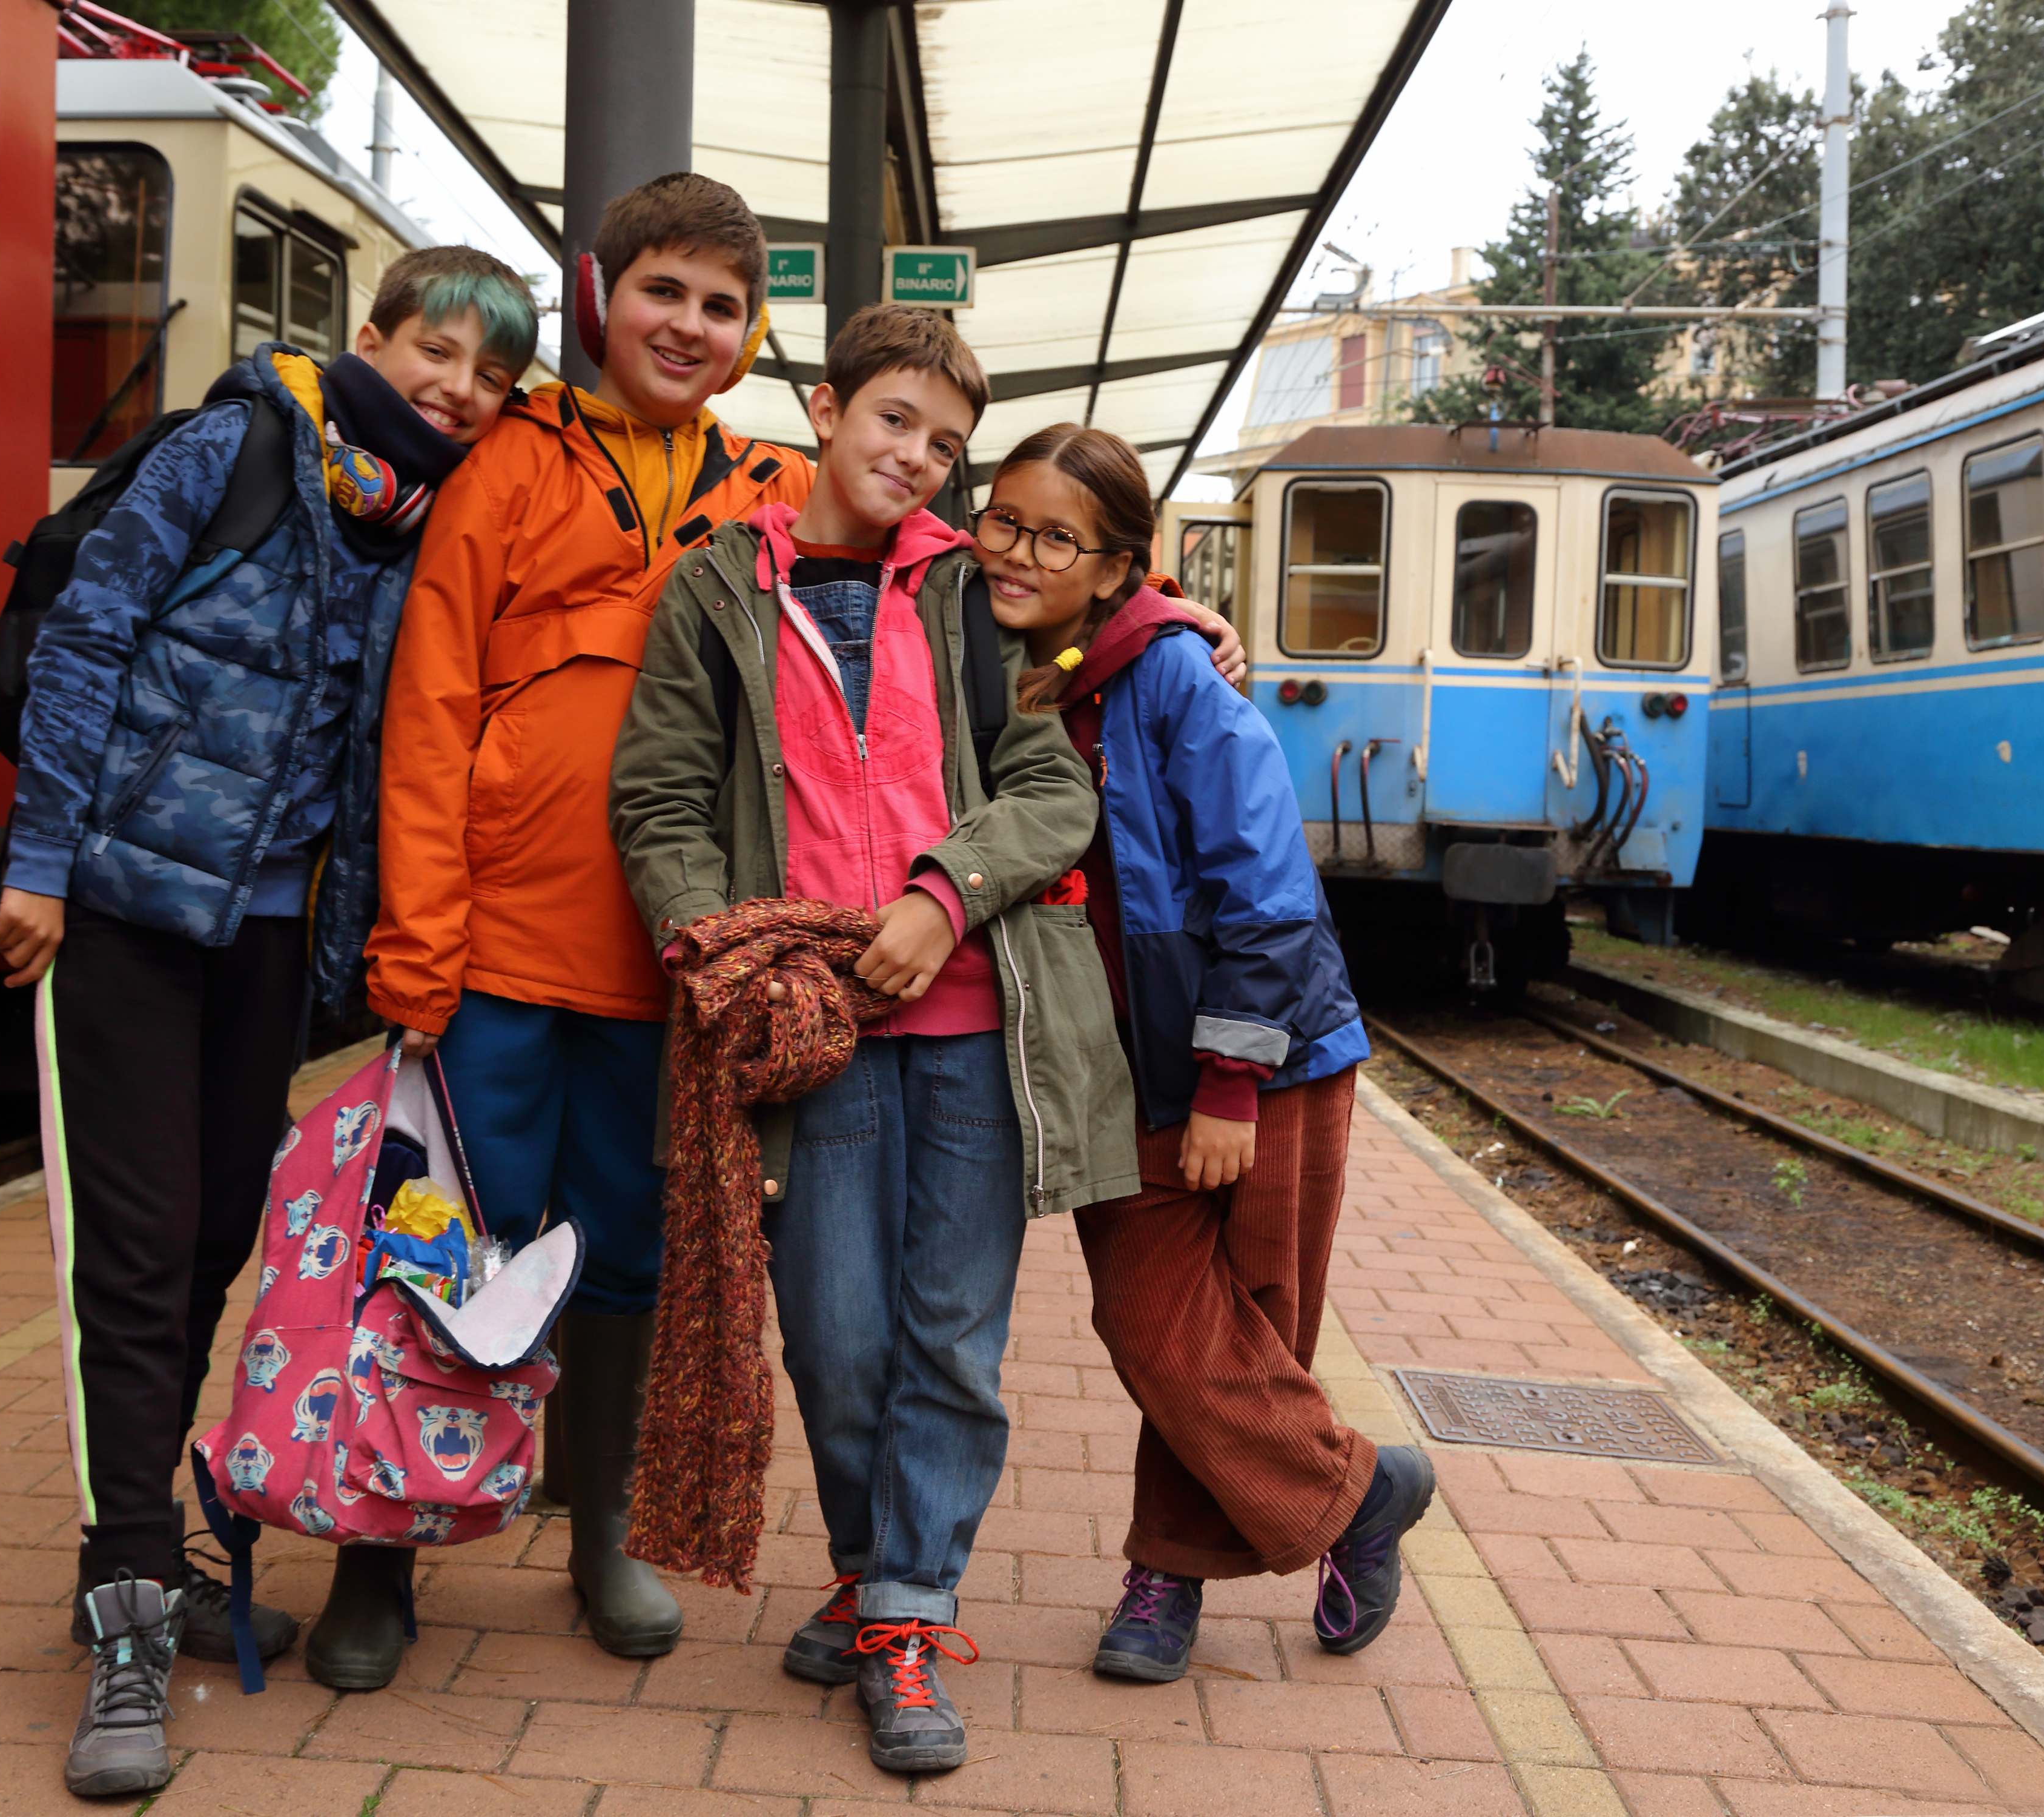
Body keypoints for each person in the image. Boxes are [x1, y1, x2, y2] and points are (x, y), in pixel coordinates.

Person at [0, 246, 538, 1798]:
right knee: (139, 1258)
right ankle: (132, 1605)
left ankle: (142, 1540)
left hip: (275, 943)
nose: (457, 390)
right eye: (437, 351)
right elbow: (88, 641)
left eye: (491, 377)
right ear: (373, 338)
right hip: (123, 920)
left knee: (223, 1231)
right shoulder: (240, 448)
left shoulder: (421, 524)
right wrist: (40, 869)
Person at [610, 304, 1139, 1773]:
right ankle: (866, 1572)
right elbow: (659, 803)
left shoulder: (974, 597)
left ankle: (906, 1615)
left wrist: (942, 896)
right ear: (828, 407)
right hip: (803, 1028)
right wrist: (732, 958)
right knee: (837, 1341)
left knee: (950, 1342)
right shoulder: (717, 587)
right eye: (896, 421)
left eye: (948, 446)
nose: (918, 458)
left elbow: (1050, 790)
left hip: (974, 1025)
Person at [363, 173, 819, 1661]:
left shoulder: (776, 487)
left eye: (722, 304)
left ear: (752, 334)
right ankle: (388, 1543)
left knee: (625, 1247)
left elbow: (957, 595)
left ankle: (602, 1525)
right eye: (663, 290)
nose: (688, 324)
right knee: (444, 1242)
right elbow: (430, 703)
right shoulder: (510, 459)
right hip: (493, 948)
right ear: (598, 292)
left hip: (666, 963)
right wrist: (418, 936)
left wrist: (1131, 627)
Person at [970, 425, 1437, 1687]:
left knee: (1254, 1326)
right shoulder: (1007, 658)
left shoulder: (1173, 675)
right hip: (1122, 1074)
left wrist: (1232, 1079)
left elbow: (1268, 888)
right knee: (1159, 1319)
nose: (1016, 549)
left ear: (1122, 564)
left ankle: (1166, 1582)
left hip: (1264, 1062)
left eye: (1055, 534)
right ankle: (1361, 1494)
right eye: (1002, 519)